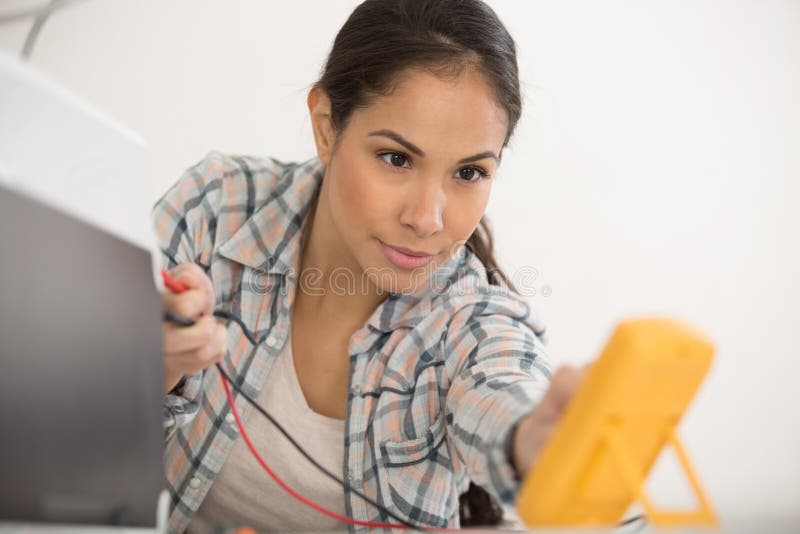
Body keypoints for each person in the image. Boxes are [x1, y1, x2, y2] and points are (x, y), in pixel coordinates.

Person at [156, 0, 584, 531]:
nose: (427, 219)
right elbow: (67, 433)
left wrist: (533, 441)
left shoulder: (469, 322)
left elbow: (504, 386)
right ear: (326, 126)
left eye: (469, 172)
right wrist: (152, 368)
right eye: (397, 158)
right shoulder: (216, 209)